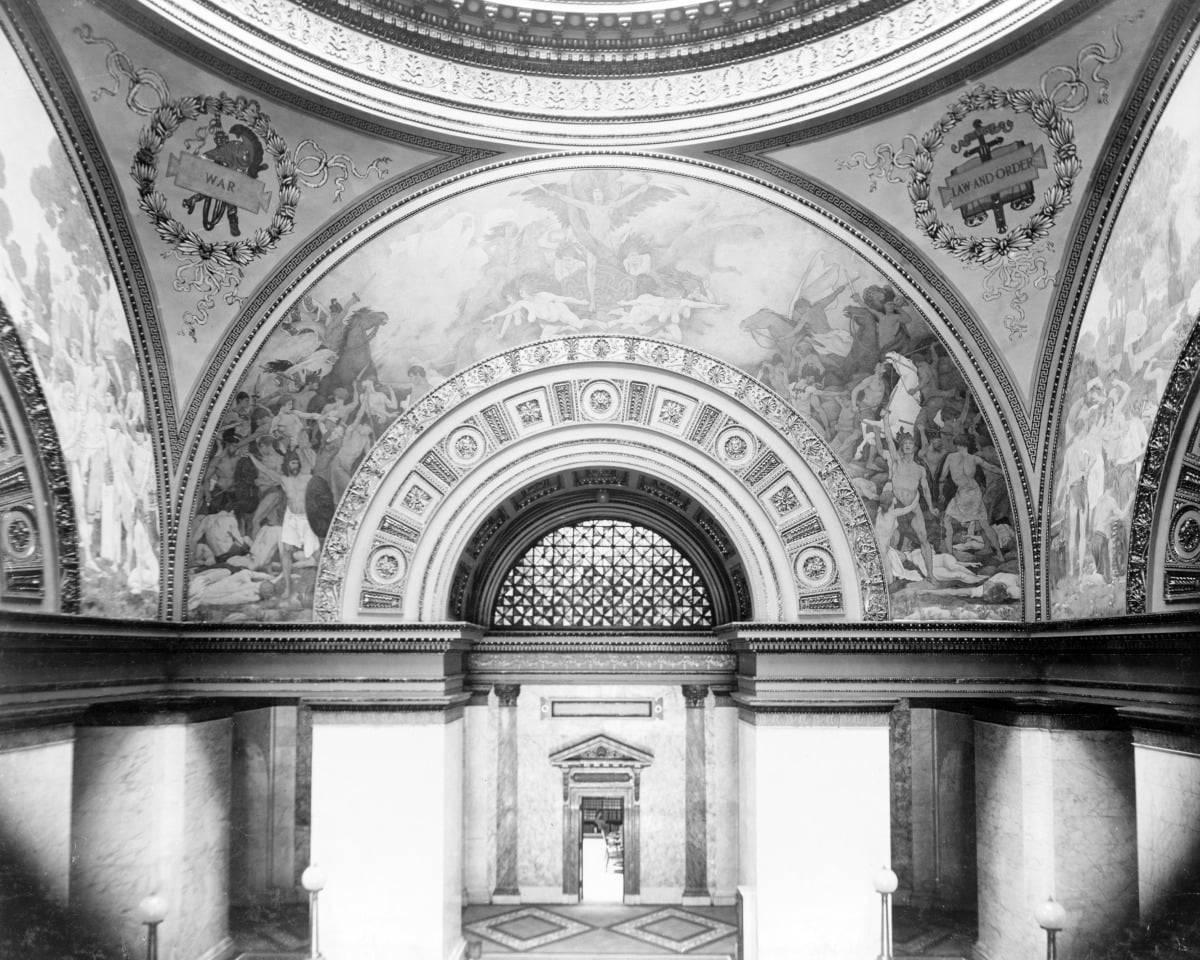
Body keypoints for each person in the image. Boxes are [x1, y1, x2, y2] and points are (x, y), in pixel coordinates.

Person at [248, 450, 320, 600]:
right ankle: (287, 588)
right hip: (291, 518)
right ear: (287, 465)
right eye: (292, 463)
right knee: (286, 553)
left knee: (316, 551)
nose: (295, 465)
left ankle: (325, 581)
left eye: (296, 462)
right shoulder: (284, 480)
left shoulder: (307, 478)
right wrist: (251, 456)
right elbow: (265, 470)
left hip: (305, 518)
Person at [882, 413, 939, 584]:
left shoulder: (919, 469)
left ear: (914, 447)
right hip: (896, 505)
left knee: (923, 538)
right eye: (905, 444)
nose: (907, 446)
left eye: (910, 444)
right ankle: (889, 573)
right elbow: (890, 441)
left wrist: (930, 508)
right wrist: (885, 419)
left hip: (913, 507)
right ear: (902, 447)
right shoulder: (897, 461)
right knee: (891, 539)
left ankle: (930, 574)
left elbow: (926, 490)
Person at [939, 434, 1006, 561]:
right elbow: (991, 467)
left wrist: (941, 493)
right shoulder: (974, 458)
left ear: (956, 444)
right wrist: (1005, 473)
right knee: (984, 523)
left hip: (963, 493)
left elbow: (942, 477)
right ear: (968, 444)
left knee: (947, 519)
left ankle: (949, 553)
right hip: (974, 492)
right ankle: (999, 553)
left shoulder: (950, 457)